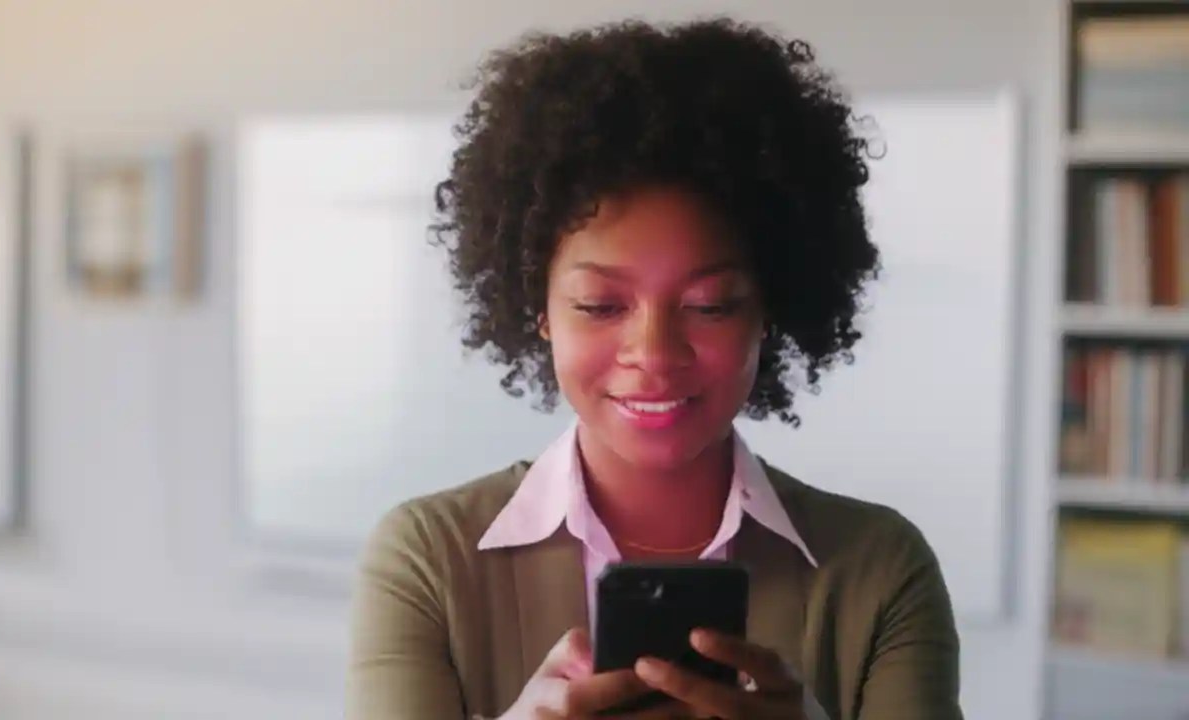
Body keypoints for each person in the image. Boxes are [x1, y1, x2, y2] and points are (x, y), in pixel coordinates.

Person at [346, 17, 962, 720]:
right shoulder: (426, 561)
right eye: (601, 305)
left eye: (711, 305)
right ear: (539, 310)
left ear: (771, 307)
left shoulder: (880, 571)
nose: (654, 355)